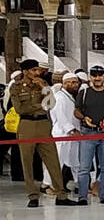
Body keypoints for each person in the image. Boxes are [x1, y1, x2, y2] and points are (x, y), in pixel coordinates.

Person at [11, 59, 75, 208]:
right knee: (27, 162)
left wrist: (44, 90)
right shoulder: (16, 87)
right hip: (26, 125)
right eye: (33, 70)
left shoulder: (43, 85)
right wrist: (40, 105)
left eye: (38, 70)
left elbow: (51, 104)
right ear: (25, 71)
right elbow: (20, 109)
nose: (37, 73)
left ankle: (61, 194)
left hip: (44, 125)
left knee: (53, 160)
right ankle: (33, 195)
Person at [73, 66, 104, 204]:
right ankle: (82, 197)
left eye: (100, 75)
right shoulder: (84, 93)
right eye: (94, 75)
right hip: (87, 133)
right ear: (90, 77)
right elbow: (76, 111)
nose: (97, 78)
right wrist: (84, 118)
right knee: (84, 168)